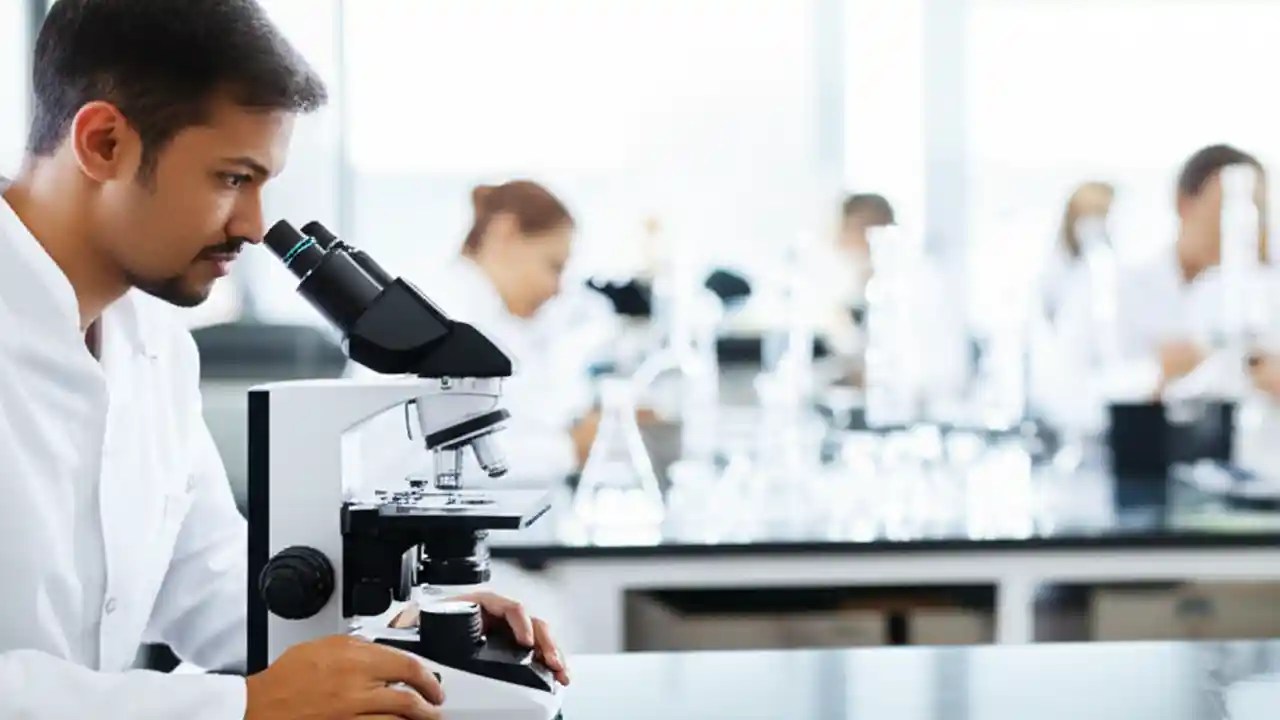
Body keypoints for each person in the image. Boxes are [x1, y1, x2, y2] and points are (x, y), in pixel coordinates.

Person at [0, 2, 567, 719]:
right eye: (232, 178)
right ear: (105, 142)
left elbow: (209, 584)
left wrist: (406, 634)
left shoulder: (156, 344)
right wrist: (242, 708)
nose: (254, 225)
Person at [381, 180, 617, 483]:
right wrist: (568, 449)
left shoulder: (501, 323)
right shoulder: (433, 318)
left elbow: (528, 418)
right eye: (554, 266)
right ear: (505, 233)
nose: (557, 289)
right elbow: (420, 457)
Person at [1115, 144, 1280, 399]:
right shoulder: (1125, 288)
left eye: (1256, 209)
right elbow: (1084, 391)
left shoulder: (1263, 290)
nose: (1245, 226)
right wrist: (1156, 375)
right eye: (1225, 209)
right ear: (1183, 205)